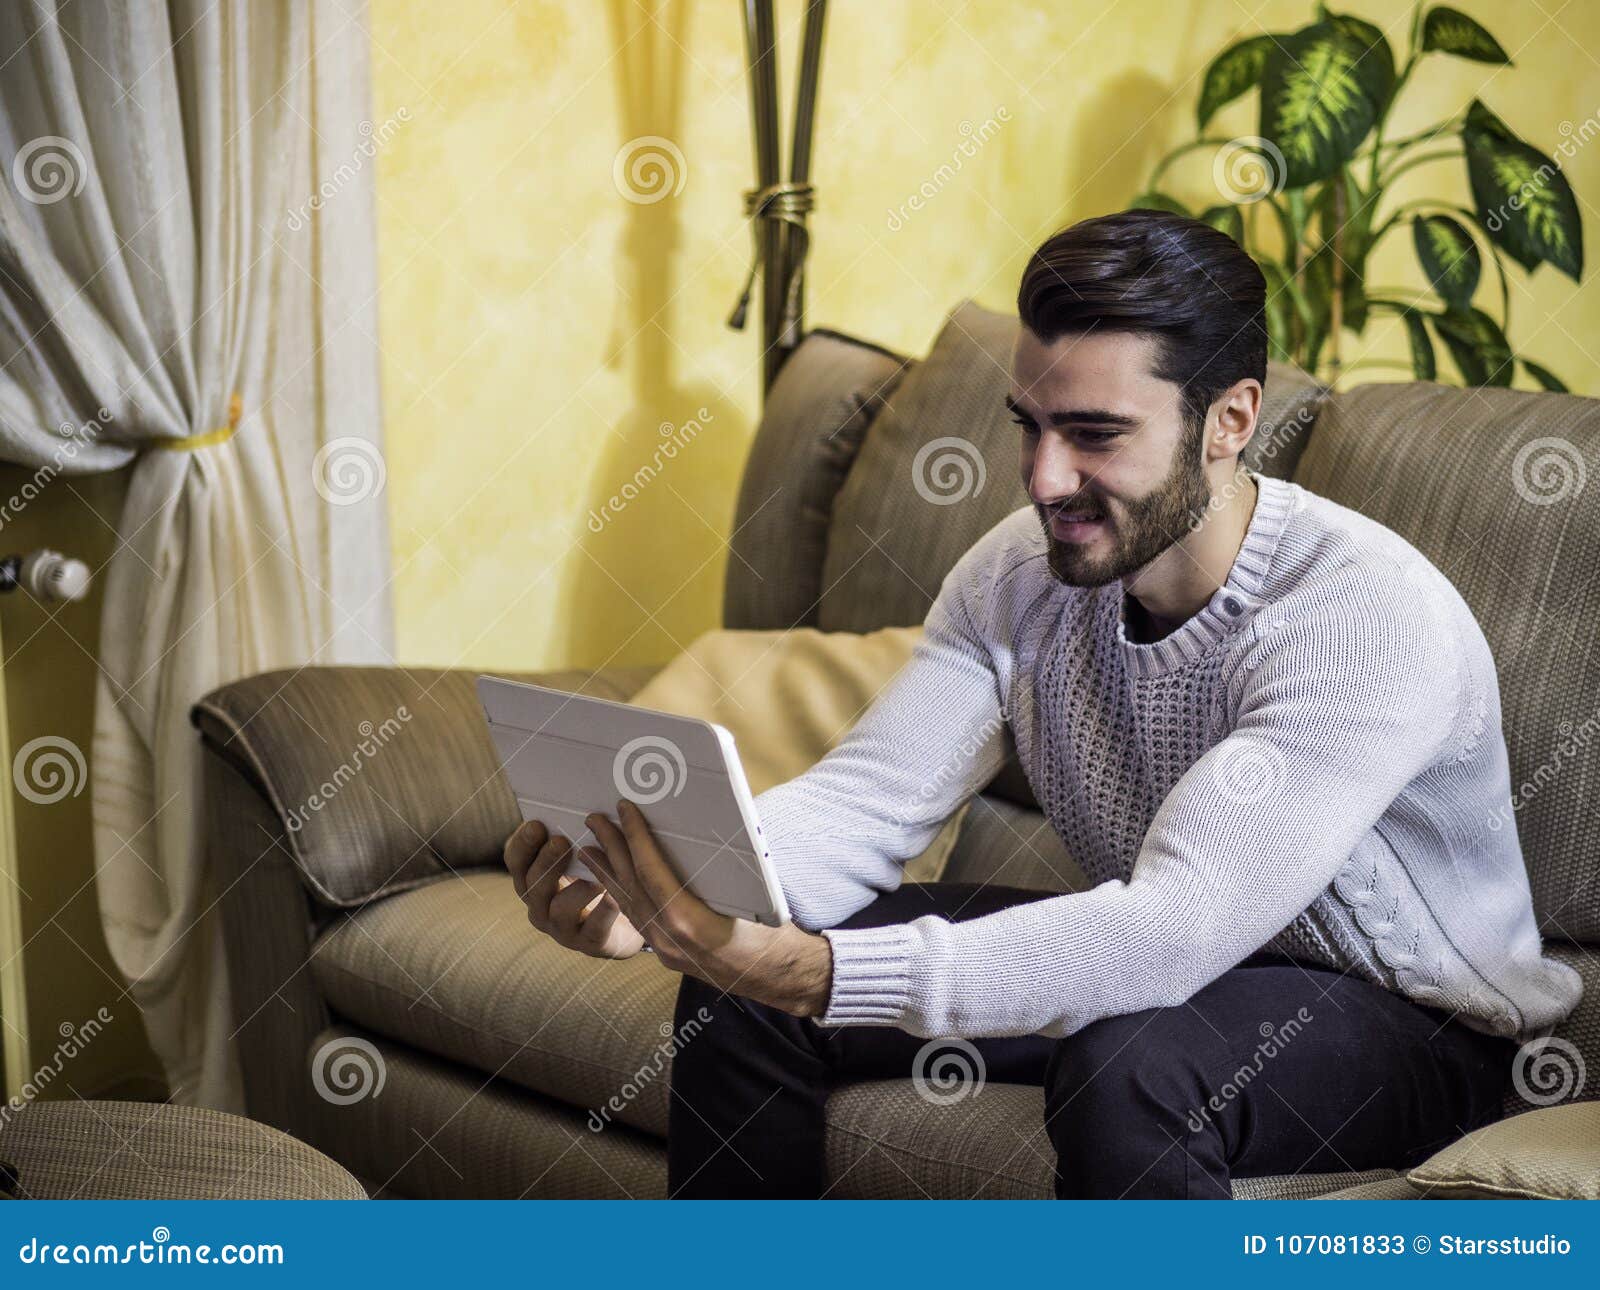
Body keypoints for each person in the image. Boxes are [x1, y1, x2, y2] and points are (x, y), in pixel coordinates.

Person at [502, 209, 1582, 1199]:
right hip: (1178, 961)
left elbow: (1169, 932)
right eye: (1030, 424)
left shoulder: (1357, 615)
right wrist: (654, 904)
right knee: (743, 999)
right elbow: (869, 805)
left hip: (1413, 1024)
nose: (1043, 478)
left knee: (1126, 1070)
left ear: (1229, 420)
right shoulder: (1021, 572)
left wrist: (816, 968)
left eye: (1096, 435)